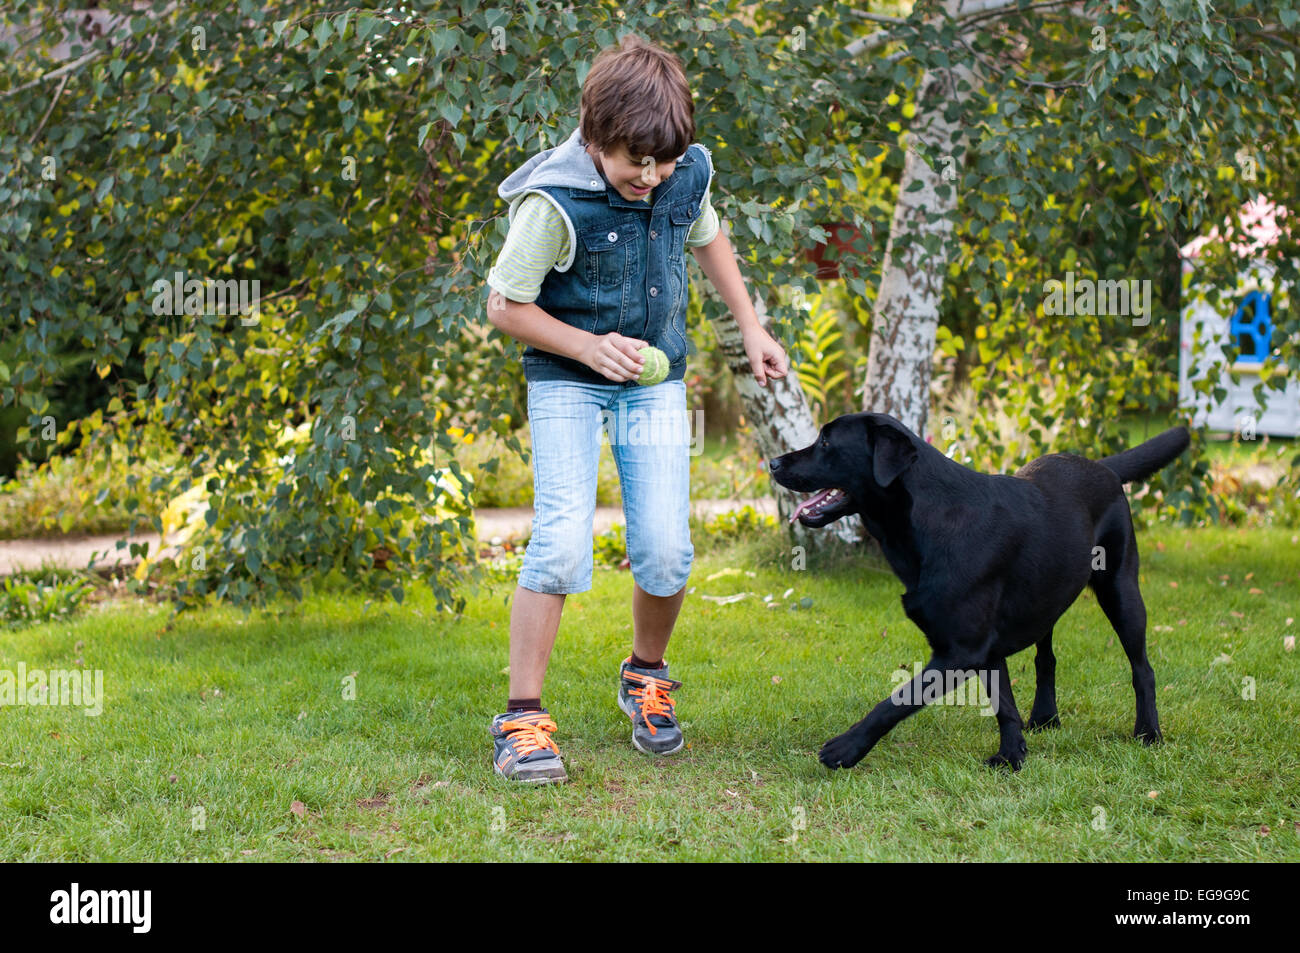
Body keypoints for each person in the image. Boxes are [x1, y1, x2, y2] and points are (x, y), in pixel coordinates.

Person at [484, 34, 788, 783]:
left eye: (664, 163)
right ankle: (521, 719)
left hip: (652, 379)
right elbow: (504, 305)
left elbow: (708, 238)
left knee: (666, 549)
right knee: (561, 543)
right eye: (635, 163)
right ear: (595, 138)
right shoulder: (553, 201)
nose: (650, 178)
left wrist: (751, 327)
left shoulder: (685, 175)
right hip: (567, 375)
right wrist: (589, 349)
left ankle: (645, 676)